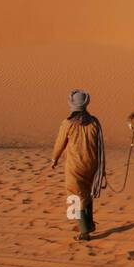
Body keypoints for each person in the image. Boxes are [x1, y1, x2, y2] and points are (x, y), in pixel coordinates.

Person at [51, 89, 106, 240]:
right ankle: (88, 223)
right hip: (92, 164)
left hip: (75, 165)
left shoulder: (68, 123)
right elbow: (100, 145)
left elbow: (60, 143)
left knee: (75, 195)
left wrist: (54, 159)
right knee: (87, 193)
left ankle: (84, 231)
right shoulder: (94, 122)